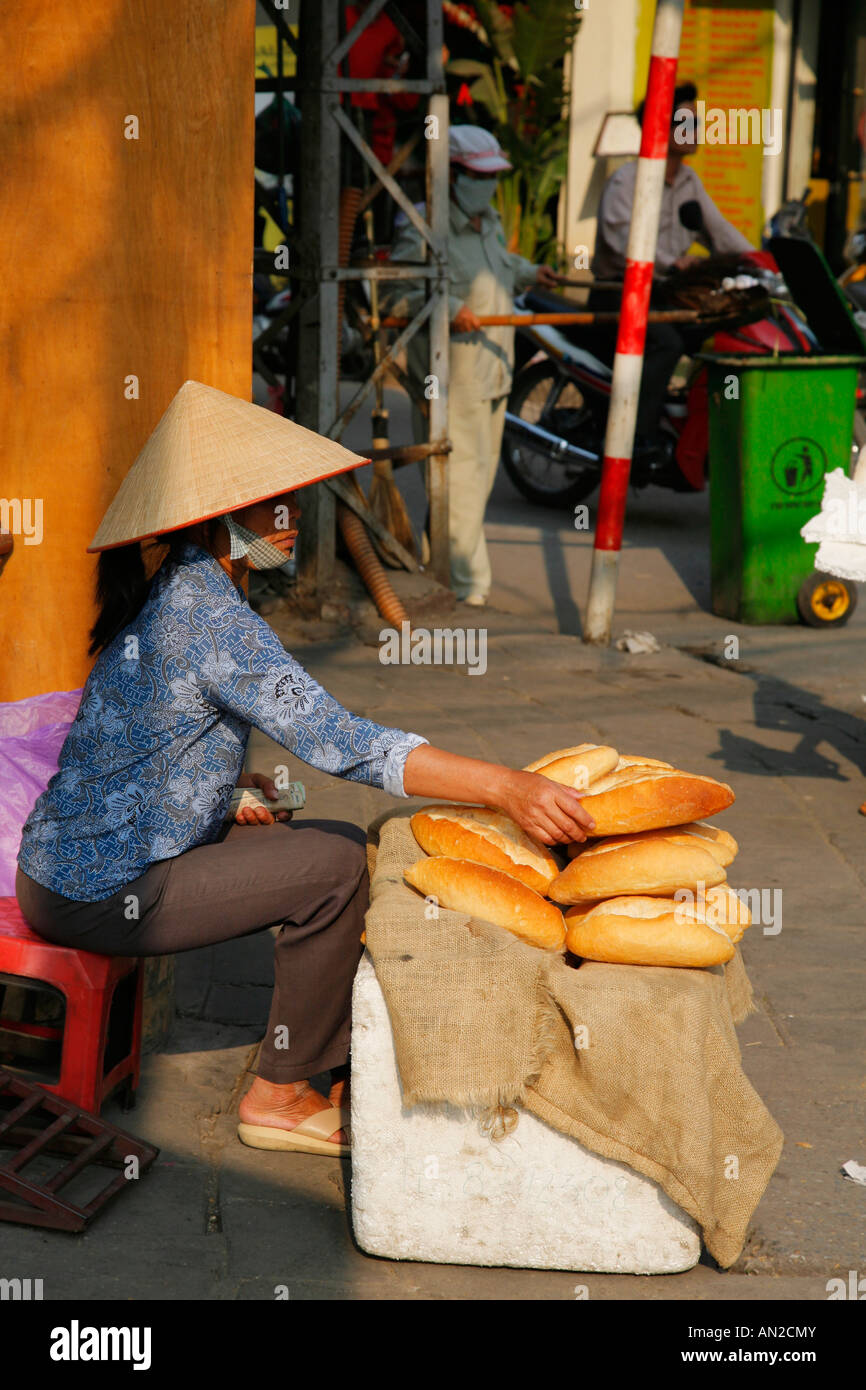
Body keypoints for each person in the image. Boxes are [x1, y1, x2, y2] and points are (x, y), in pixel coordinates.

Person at [15, 380, 594, 1159]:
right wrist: (507, 786)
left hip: (75, 863)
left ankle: (314, 1060)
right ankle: (280, 1093)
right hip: (96, 889)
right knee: (331, 867)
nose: (288, 523)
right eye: (270, 508)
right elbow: (340, 739)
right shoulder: (209, 614)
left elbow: (146, 744)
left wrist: (226, 790)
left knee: (326, 836)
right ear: (221, 521)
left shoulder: (186, 587)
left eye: (290, 505)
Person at [385, 125, 559, 605]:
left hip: (494, 371)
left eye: (492, 176)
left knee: (474, 487)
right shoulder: (421, 225)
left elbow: (498, 263)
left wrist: (528, 271)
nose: (488, 185)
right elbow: (398, 294)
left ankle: (436, 570)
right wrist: (448, 307)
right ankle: (469, 594)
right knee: (459, 489)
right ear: (451, 174)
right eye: (478, 176)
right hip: (451, 381)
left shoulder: (489, 219)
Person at [591, 81, 753, 446]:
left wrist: (758, 261)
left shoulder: (689, 182)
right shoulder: (626, 181)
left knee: (722, 330)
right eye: (687, 122)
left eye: (697, 122)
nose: (696, 130)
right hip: (619, 294)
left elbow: (720, 232)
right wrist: (670, 263)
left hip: (667, 296)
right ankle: (633, 436)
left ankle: (693, 427)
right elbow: (622, 245)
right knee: (666, 342)